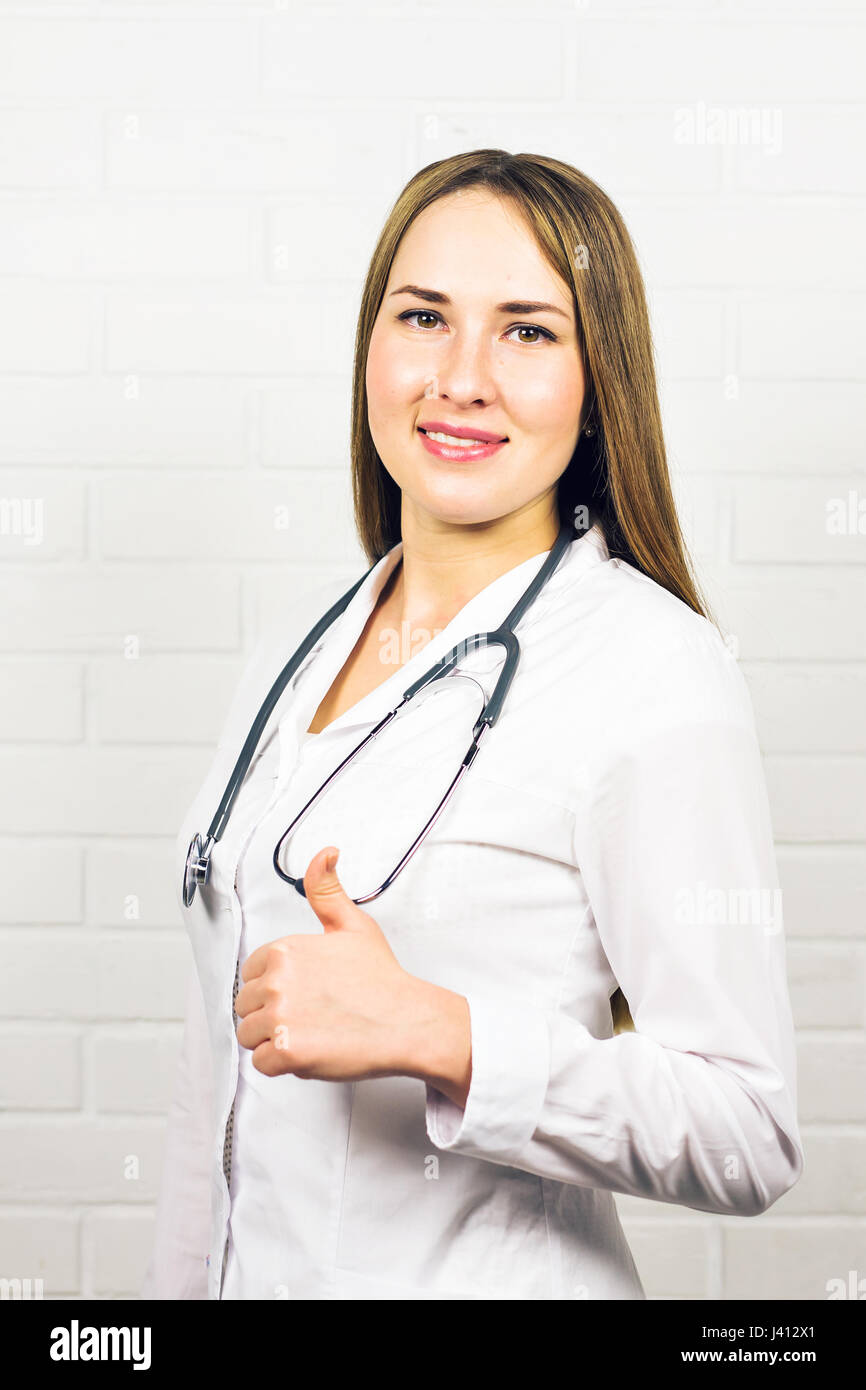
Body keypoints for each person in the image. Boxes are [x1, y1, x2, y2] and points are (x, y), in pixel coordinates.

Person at [141, 150, 803, 1302]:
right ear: (370, 345)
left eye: (527, 331)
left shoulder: (652, 671)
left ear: (598, 378)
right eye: (423, 316)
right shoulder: (291, 656)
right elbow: (218, 1100)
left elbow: (746, 1128)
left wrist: (442, 1033)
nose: (459, 378)